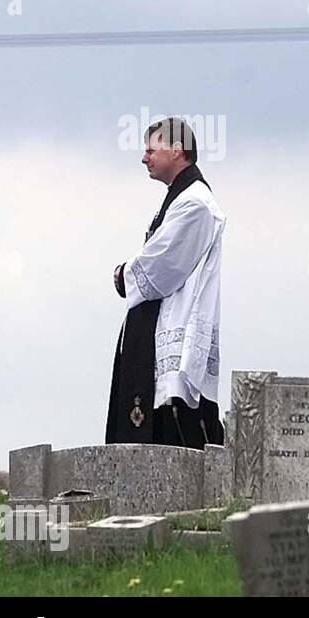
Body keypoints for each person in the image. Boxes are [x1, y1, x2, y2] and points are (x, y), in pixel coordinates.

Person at [107, 117, 226, 448]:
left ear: (177, 151)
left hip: (176, 323)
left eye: (151, 150)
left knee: (174, 425)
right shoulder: (180, 197)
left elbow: (162, 264)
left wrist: (123, 273)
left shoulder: (196, 203)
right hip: (153, 321)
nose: (144, 158)